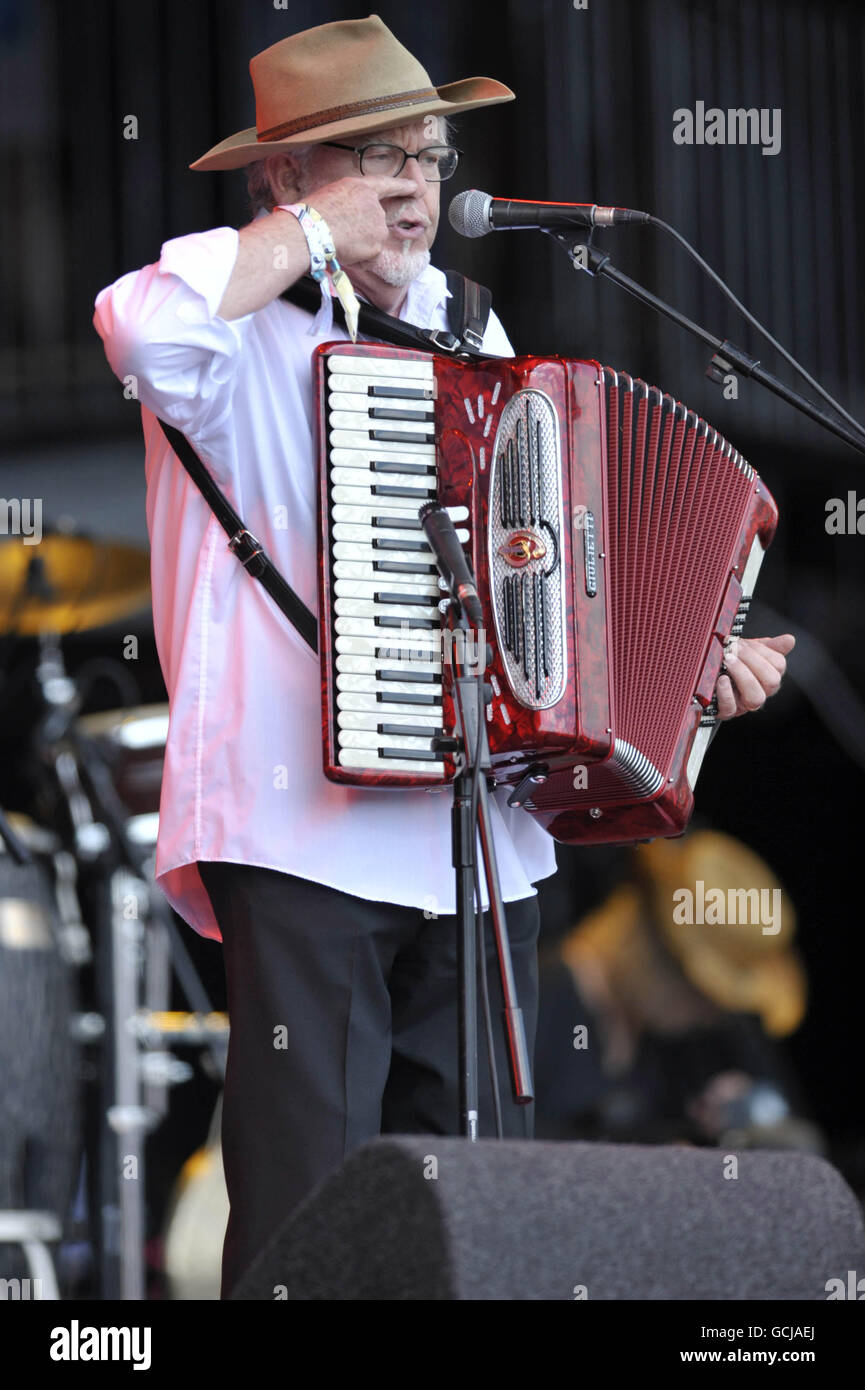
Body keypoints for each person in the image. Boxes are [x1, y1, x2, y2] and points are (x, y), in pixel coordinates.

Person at [93, 16, 794, 1297]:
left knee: (473, 1228)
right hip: (298, 835)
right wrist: (310, 239)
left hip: (475, 843)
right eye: (373, 158)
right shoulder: (230, 327)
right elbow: (139, 333)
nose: (415, 184)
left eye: (426, 152)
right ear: (283, 180)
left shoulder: (474, 334)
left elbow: (542, 606)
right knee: (306, 1223)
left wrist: (690, 674)